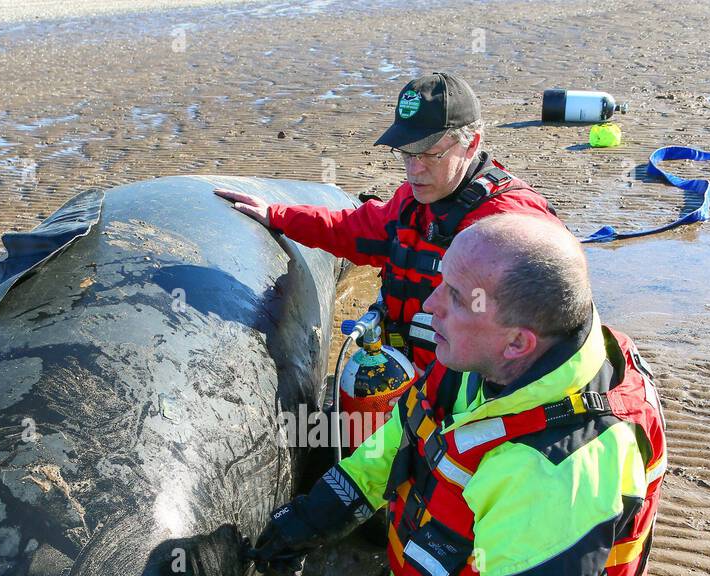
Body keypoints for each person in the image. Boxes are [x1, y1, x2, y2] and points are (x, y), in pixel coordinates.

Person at [248, 214, 667, 576]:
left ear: (519, 341)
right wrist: (319, 511)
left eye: (454, 297)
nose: (428, 308)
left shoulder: (552, 472)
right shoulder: (491, 361)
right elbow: (405, 434)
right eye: (439, 282)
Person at [215, 72, 558, 371]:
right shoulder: (411, 203)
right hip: (410, 373)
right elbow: (349, 229)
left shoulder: (512, 224)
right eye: (406, 154)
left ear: (472, 145)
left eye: (429, 154)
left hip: (473, 393)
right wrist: (277, 215)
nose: (414, 170)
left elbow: (550, 330)